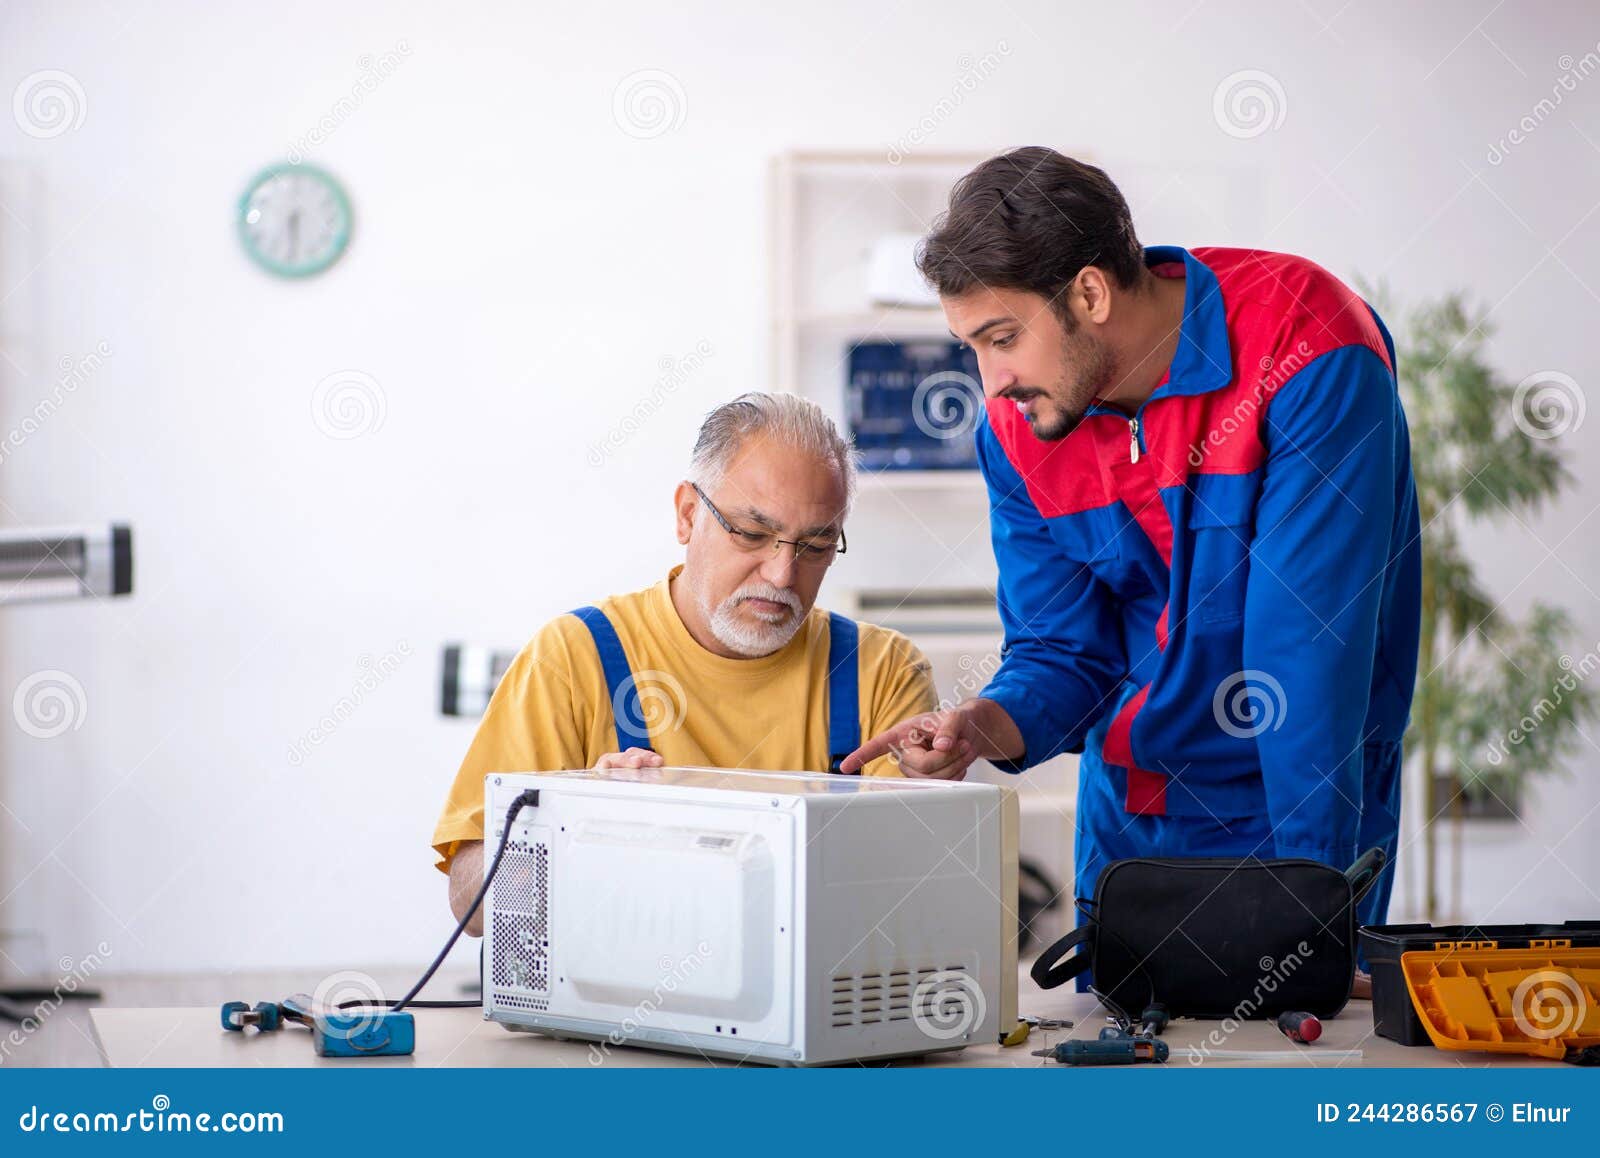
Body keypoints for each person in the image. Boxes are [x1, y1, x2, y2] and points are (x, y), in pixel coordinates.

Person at [843, 147, 1420, 936]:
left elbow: (1307, 660)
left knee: (1289, 1054)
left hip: (1302, 816)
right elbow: (1060, 649)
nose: (990, 383)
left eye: (1003, 337)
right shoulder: (1017, 429)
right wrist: (981, 725)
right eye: (969, 347)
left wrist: (1315, 905)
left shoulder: (1307, 346)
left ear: (1089, 292)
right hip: (1130, 830)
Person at [433, 392, 940, 934]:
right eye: (751, 533)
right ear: (687, 514)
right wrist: (578, 826)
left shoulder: (883, 671)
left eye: (815, 546)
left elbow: (912, 906)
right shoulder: (571, 658)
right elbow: (472, 906)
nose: (782, 574)